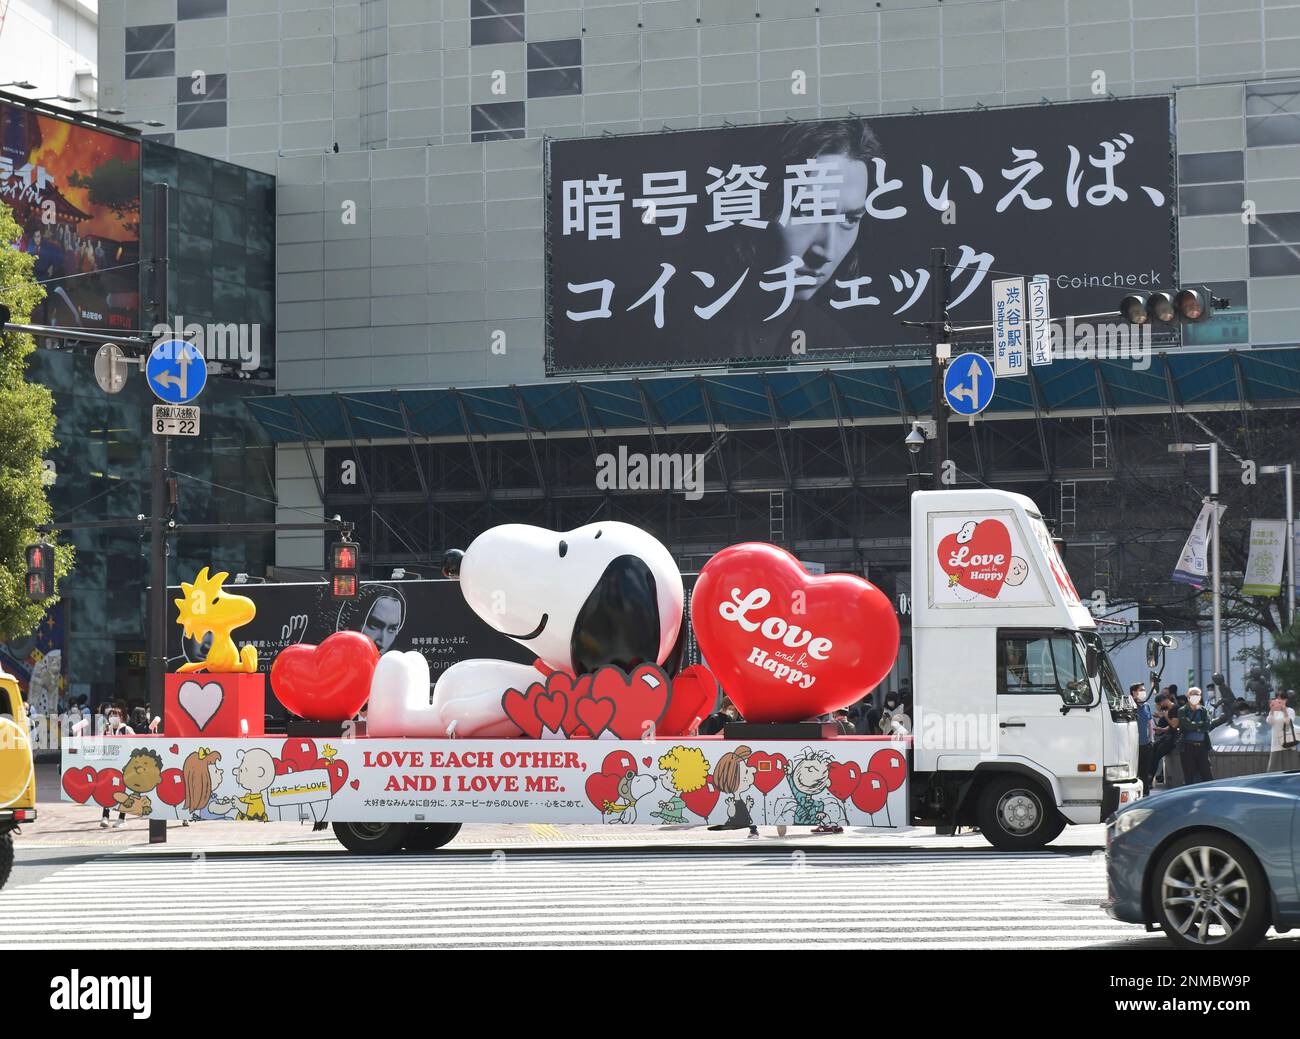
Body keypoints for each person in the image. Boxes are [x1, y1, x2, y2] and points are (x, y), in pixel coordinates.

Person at [99, 704, 135, 828]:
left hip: (124, 765)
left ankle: (122, 818)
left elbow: (134, 746)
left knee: (123, 791)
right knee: (107, 790)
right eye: (111, 715)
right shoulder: (105, 729)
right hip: (109, 765)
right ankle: (105, 816)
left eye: (116, 715)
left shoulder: (127, 730)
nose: (113, 717)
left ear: (121, 717)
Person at [1177, 686, 1214, 785]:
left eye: (1197, 694)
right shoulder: (1182, 710)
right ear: (1188, 696)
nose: (1195, 696)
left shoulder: (1203, 710)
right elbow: (1187, 725)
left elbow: (1207, 725)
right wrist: (1199, 725)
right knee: (1189, 775)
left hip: (1202, 746)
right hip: (1188, 746)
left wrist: (1195, 725)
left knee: (1207, 774)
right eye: (1192, 694)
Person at [1150, 692, 1179, 787]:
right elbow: (1170, 727)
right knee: (1153, 748)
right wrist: (1161, 729)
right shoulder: (1169, 709)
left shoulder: (1175, 709)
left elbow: (1174, 725)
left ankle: (1150, 778)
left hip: (1174, 738)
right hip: (1168, 735)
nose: (1160, 706)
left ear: (1163, 701)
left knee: (1157, 754)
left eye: (1160, 704)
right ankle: (1149, 776)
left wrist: (1166, 716)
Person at [1267, 693, 1299, 773]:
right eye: (1278, 699)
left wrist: (1284, 710)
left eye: (1282, 699)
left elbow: (1288, 722)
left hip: (1289, 742)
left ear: (1286, 700)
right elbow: (1270, 722)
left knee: (1291, 769)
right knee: (1274, 770)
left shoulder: (1290, 710)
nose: (1280, 701)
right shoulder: (1274, 711)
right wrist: (1271, 710)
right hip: (1276, 744)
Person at [1133, 682, 1154, 796]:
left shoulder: (1146, 706)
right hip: (1133, 746)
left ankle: (1146, 794)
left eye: (1144, 690)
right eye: (1140, 690)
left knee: (1145, 772)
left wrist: (1151, 739)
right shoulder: (1130, 706)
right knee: (1135, 773)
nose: (1143, 692)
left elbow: (1150, 724)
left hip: (1146, 744)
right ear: (1134, 693)